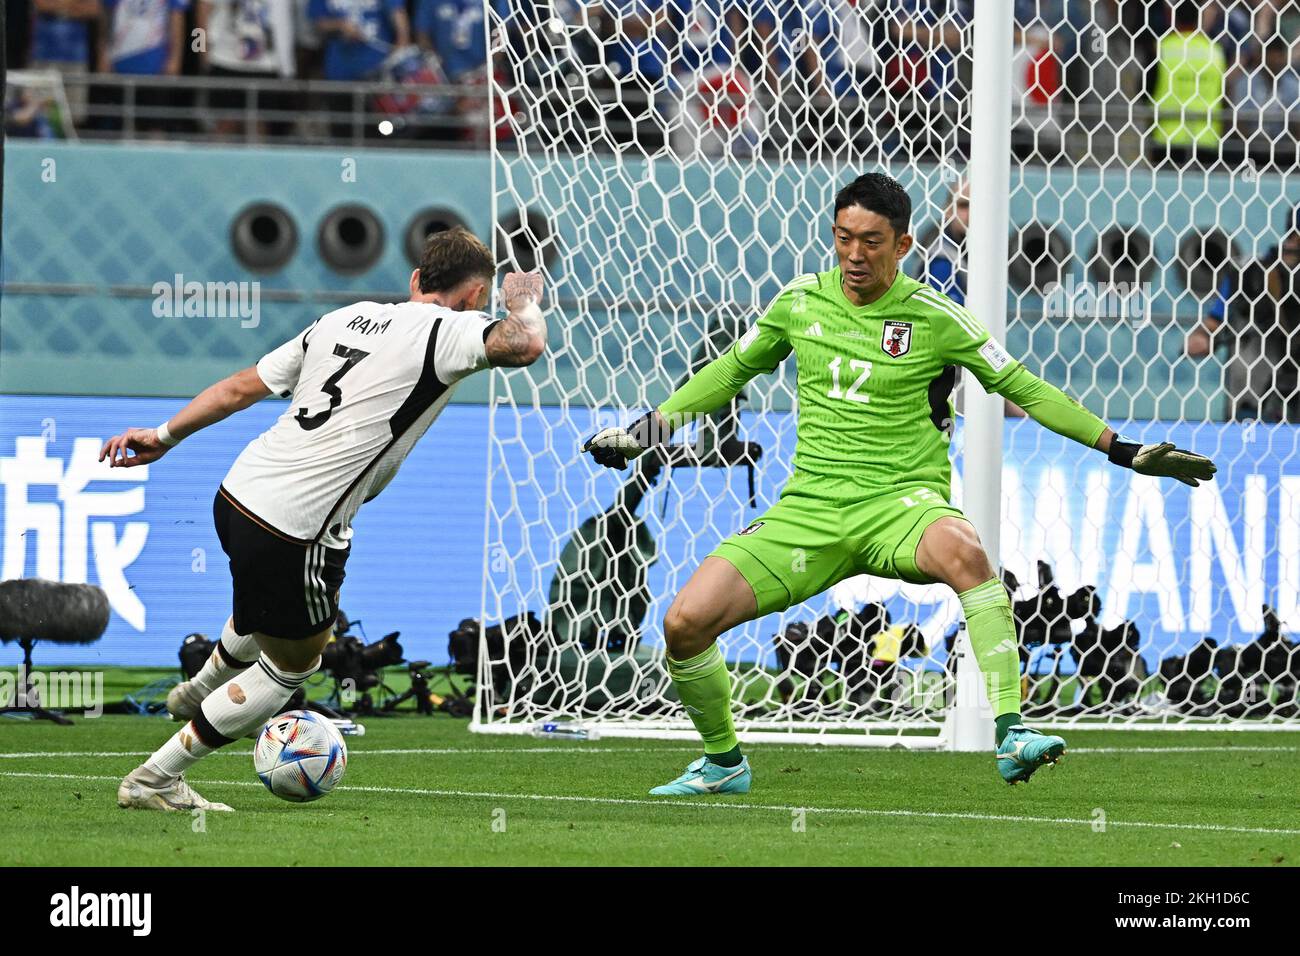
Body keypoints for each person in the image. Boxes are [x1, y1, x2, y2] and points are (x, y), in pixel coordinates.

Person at [584, 172, 1216, 793]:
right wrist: (647, 430)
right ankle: (724, 763)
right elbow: (727, 374)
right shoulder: (799, 302)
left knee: (968, 555)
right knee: (684, 623)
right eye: (843, 237)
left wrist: (1123, 449)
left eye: (872, 241)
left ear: (904, 244)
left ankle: (1013, 731)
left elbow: (1021, 386)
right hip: (810, 510)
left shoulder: (937, 318)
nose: (855, 255)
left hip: (902, 506)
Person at [104, 229, 547, 812]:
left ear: (415, 280)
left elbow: (241, 388)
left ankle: (204, 687)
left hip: (239, 493)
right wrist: (522, 300)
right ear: (473, 298)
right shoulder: (453, 328)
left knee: (265, 609)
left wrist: (162, 436)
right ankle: (156, 777)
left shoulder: (345, 318)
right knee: (297, 660)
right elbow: (524, 345)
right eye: (481, 298)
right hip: (299, 525)